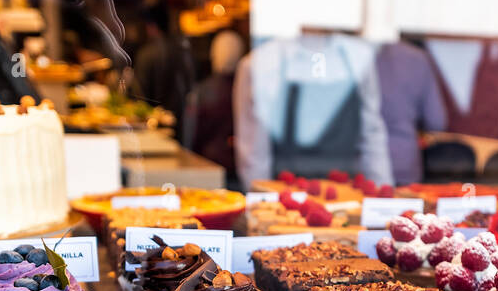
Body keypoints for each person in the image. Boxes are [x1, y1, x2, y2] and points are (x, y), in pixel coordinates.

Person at [233, 31, 393, 186]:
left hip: (349, 199)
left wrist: (383, 198)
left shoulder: (359, 57)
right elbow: (254, 154)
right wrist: (265, 204)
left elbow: (372, 136)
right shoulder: (263, 63)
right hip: (288, 201)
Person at [375, 40, 447, 184]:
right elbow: (437, 121)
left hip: (363, 160)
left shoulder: (359, 52)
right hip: (405, 161)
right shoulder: (418, 58)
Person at [183, 30, 245, 178]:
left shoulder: (201, 92)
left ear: (213, 55)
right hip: (240, 167)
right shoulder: (248, 91)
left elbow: (190, 137)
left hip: (207, 167)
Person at [131, 4, 195, 131]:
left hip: (154, 126)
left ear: (152, 26)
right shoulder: (182, 51)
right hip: (182, 124)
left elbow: (139, 97)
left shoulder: (146, 54)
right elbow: (191, 87)